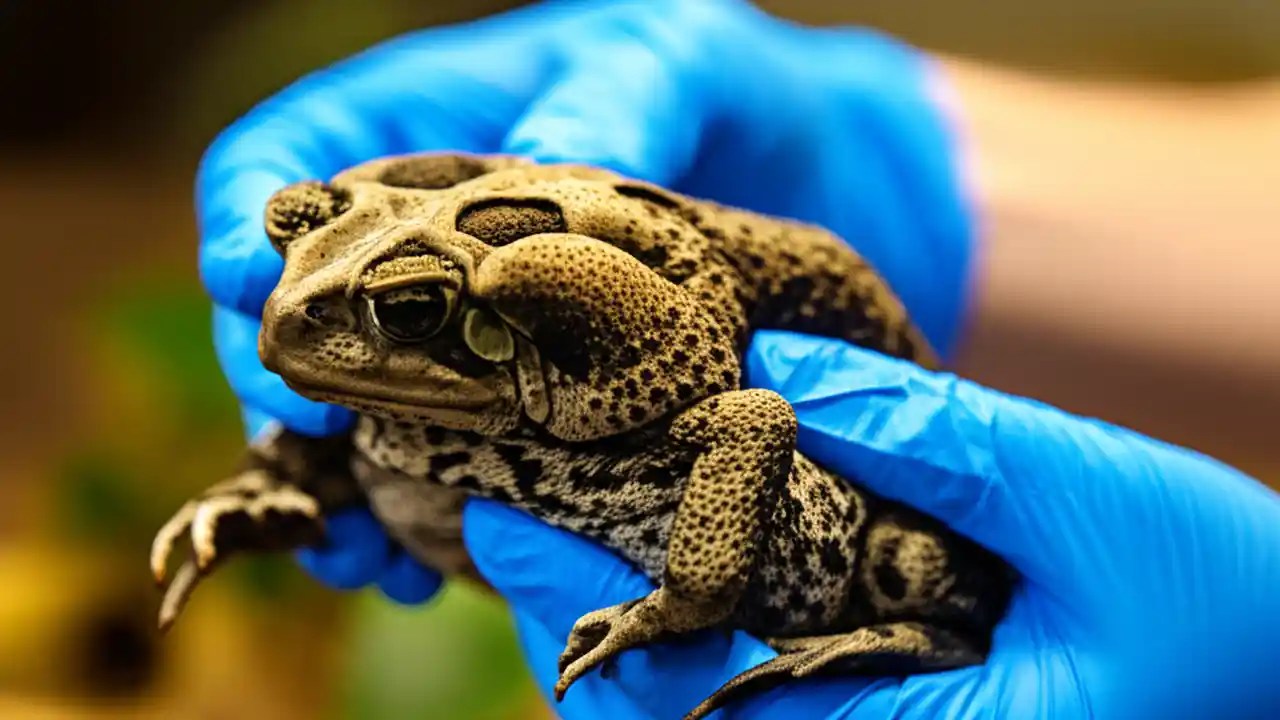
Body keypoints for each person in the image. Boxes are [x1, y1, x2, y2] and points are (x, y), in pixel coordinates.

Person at [197, 1, 1280, 717]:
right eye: (296, 228)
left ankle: (919, 631)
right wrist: (280, 471)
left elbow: (746, 419)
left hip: (811, 468)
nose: (293, 306)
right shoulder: (428, 394)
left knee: (909, 554)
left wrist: (690, 596)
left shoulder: (619, 381)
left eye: (409, 308)